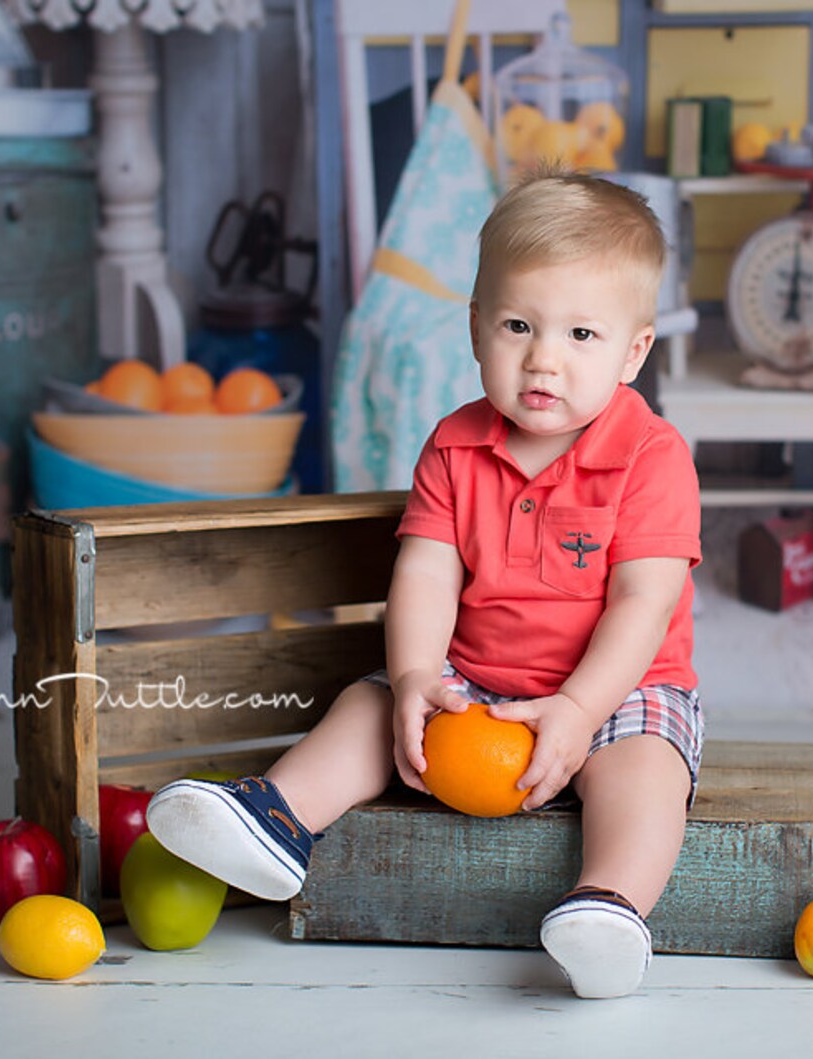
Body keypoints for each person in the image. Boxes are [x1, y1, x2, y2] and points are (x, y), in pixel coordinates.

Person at [146, 170, 701, 1000]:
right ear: (476, 328)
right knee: (369, 706)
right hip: (473, 682)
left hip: (618, 688)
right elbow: (427, 570)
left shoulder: (652, 457)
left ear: (634, 351)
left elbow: (643, 604)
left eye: (582, 334)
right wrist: (415, 677)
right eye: (519, 324)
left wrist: (582, 710)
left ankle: (609, 906)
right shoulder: (456, 443)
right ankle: (276, 820)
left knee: (647, 767)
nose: (544, 358)